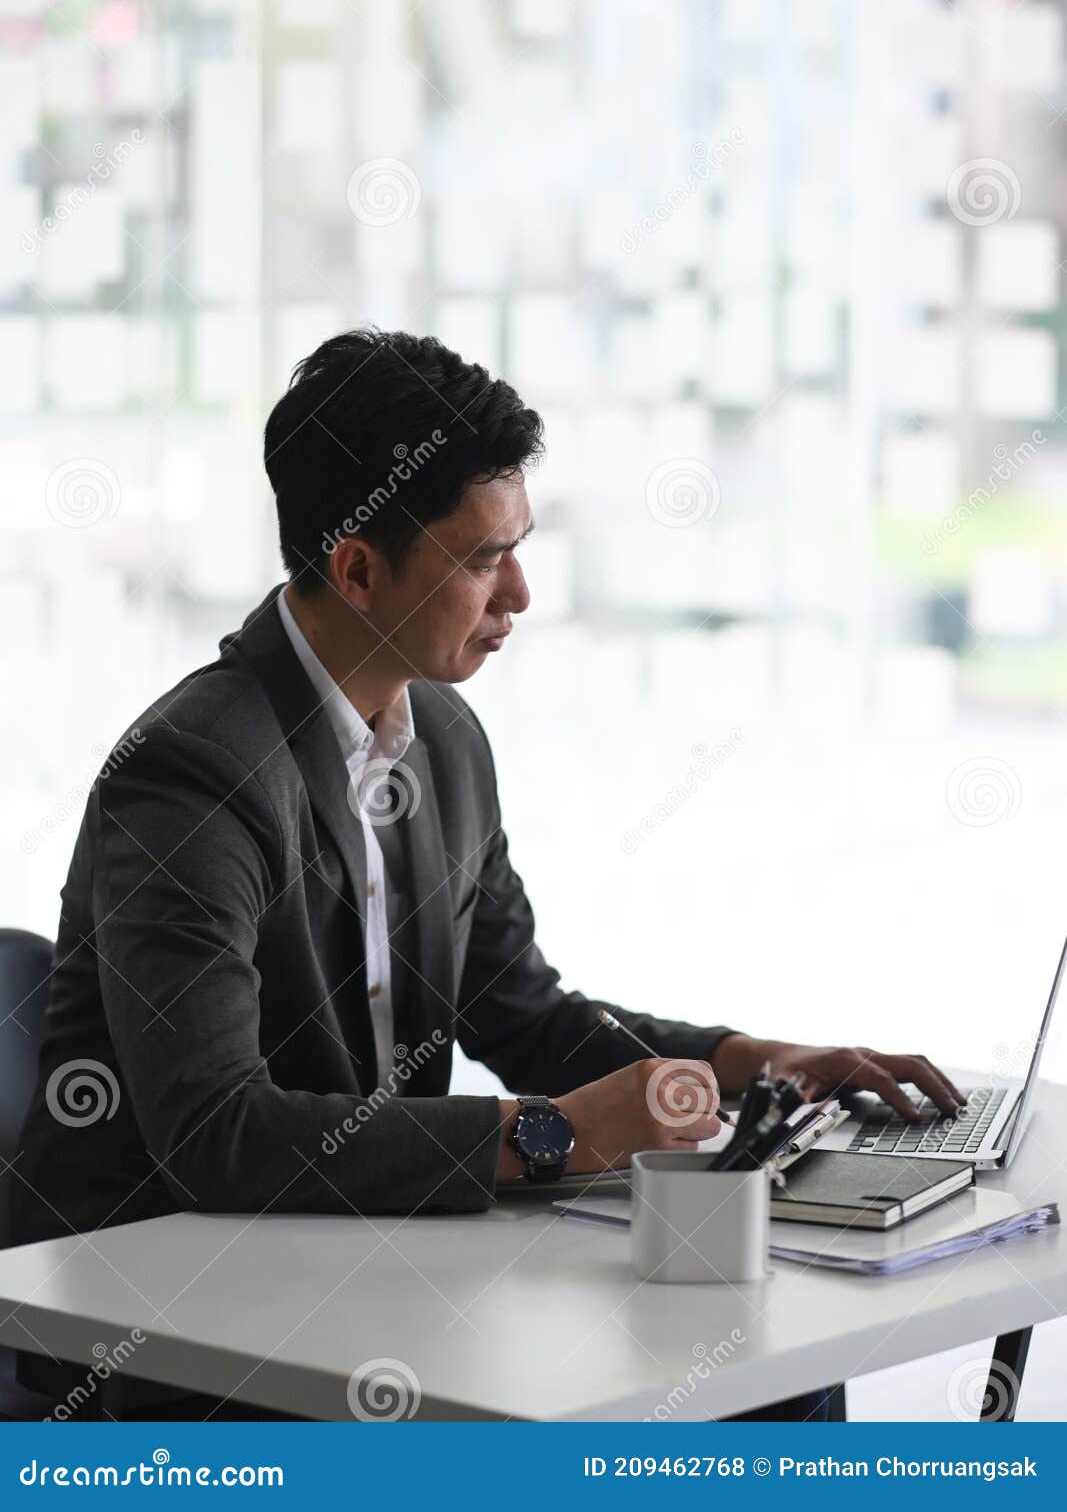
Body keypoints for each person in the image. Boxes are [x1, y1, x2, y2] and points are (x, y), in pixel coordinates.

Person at [11, 329, 964, 1420]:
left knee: (768, 1377)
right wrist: (550, 1134)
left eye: (517, 546)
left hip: (352, 1270)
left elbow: (522, 1012)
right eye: (477, 558)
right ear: (358, 566)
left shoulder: (444, 742)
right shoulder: (193, 773)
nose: (517, 591)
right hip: (164, 1332)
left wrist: (749, 1065)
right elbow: (216, 1134)